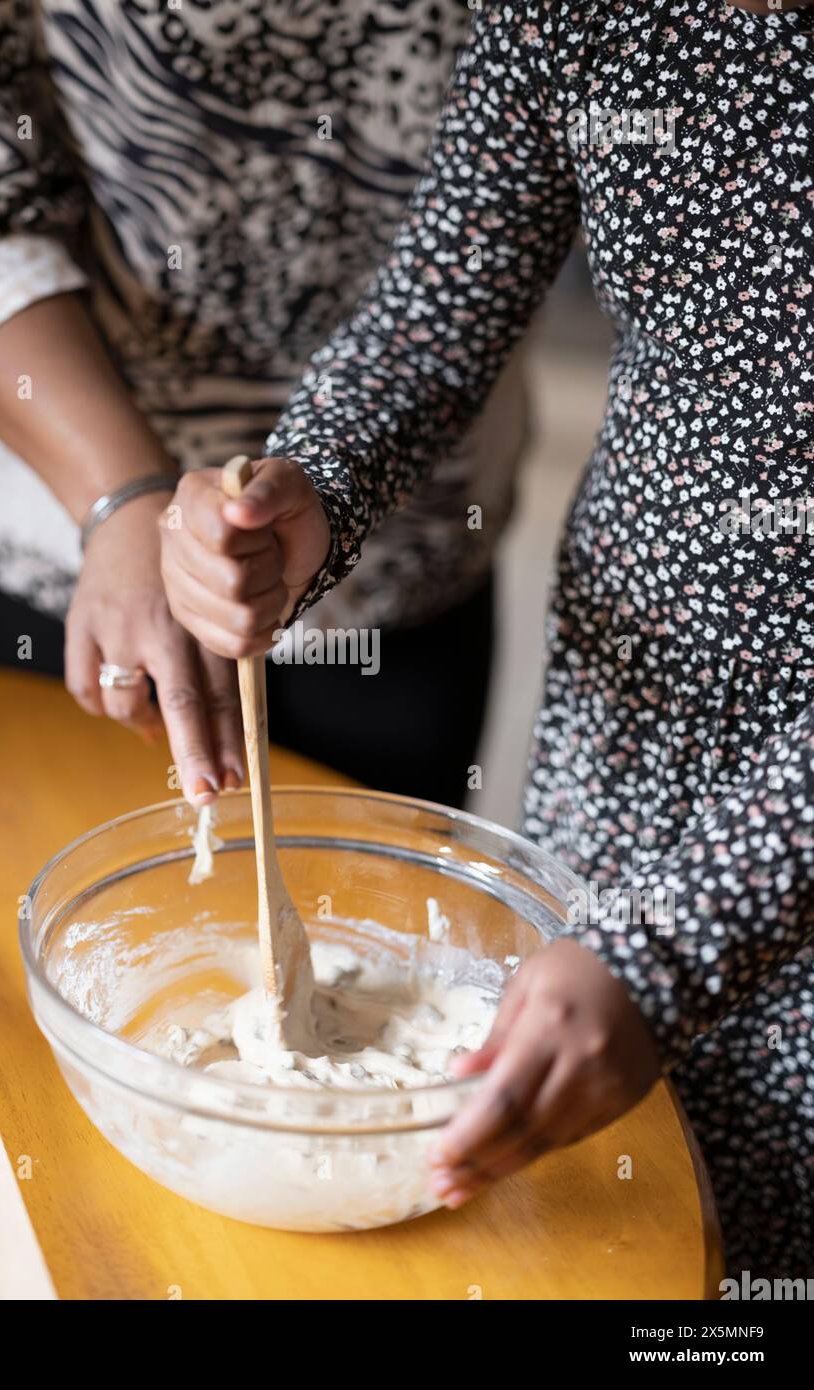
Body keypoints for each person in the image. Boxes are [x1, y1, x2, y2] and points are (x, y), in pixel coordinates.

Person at [159, 0, 814, 1278]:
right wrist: (314, 488)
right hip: (633, 724)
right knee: (614, 1230)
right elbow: (438, 308)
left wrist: (665, 951)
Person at [0, 0, 529, 809]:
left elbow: (476, 260)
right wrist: (123, 502)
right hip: (44, 510)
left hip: (406, 521)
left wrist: (332, 482)